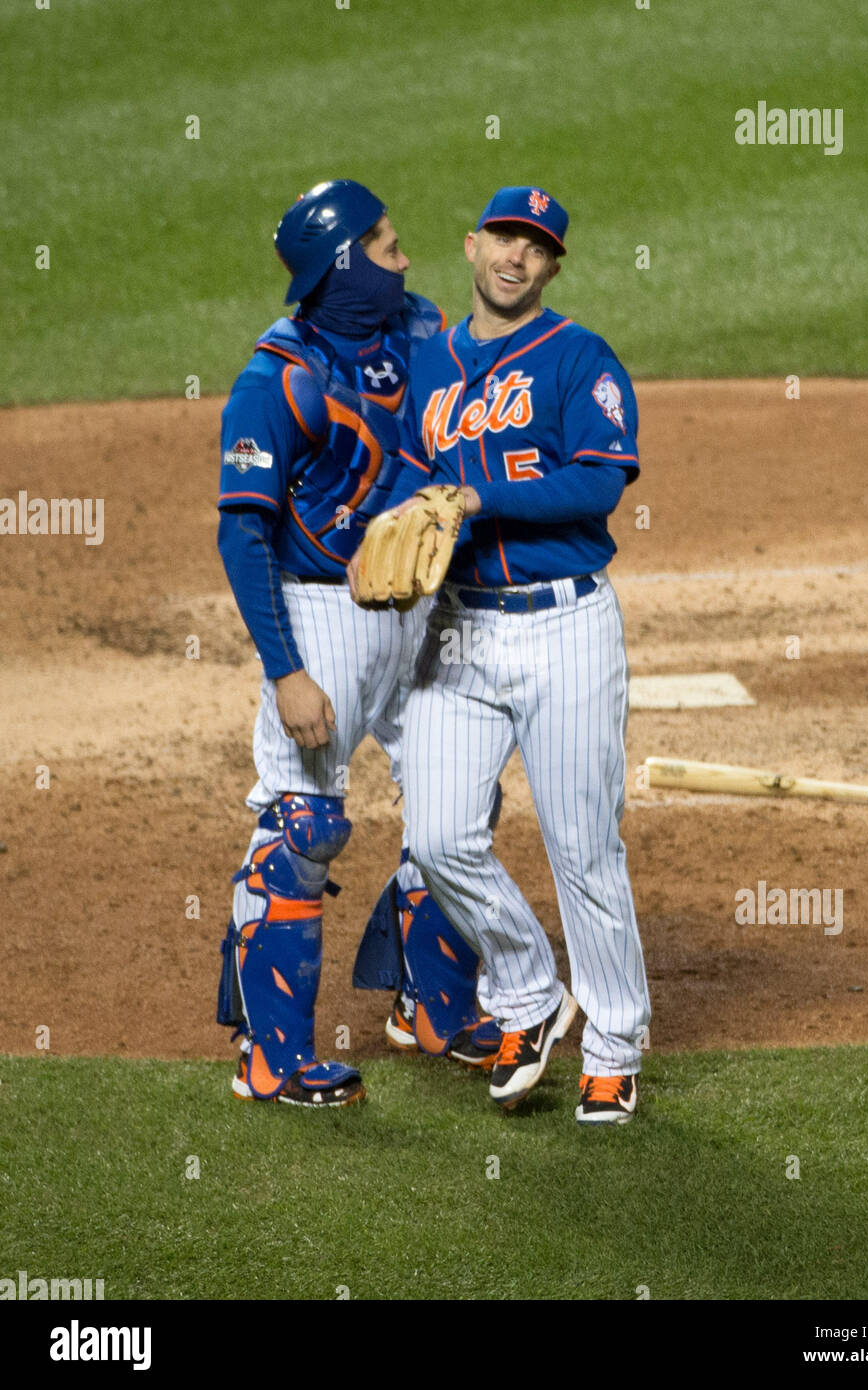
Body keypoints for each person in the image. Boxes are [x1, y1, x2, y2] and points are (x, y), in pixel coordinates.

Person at [214, 179, 499, 1108]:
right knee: (305, 827)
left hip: (421, 613)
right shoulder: (278, 380)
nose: (405, 257)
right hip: (322, 616)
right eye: (383, 246)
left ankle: (433, 1005)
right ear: (340, 268)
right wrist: (286, 673)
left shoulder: (423, 336)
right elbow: (242, 535)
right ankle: (272, 1060)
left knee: (461, 797)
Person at [393, 186, 650, 1125]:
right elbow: (406, 481)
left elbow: (597, 485)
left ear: (551, 267)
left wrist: (480, 497)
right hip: (456, 628)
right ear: (472, 246)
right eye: (504, 237)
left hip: (564, 625)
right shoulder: (429, 366)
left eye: (536, 247)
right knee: (437, 837)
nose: (516, 256)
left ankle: (614, 1046)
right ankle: (528, 991)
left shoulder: (579, 357)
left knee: (583, 848)